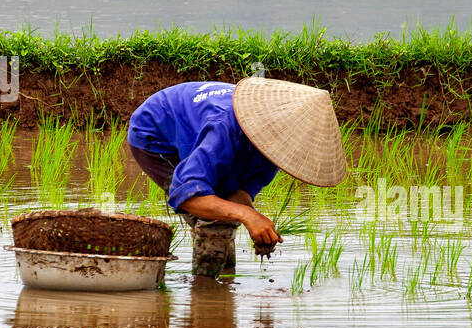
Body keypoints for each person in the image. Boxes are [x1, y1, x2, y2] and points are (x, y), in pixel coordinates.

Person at [126, 76, 347, 256]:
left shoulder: (274, 150)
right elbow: (187, 194)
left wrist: (257, 223)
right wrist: (248, 216)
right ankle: (207, 296)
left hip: (203, 126)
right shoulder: (224, 130)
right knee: (211, 221)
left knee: (225, 215)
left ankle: (223, 282)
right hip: (156, 131)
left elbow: (237, 195)